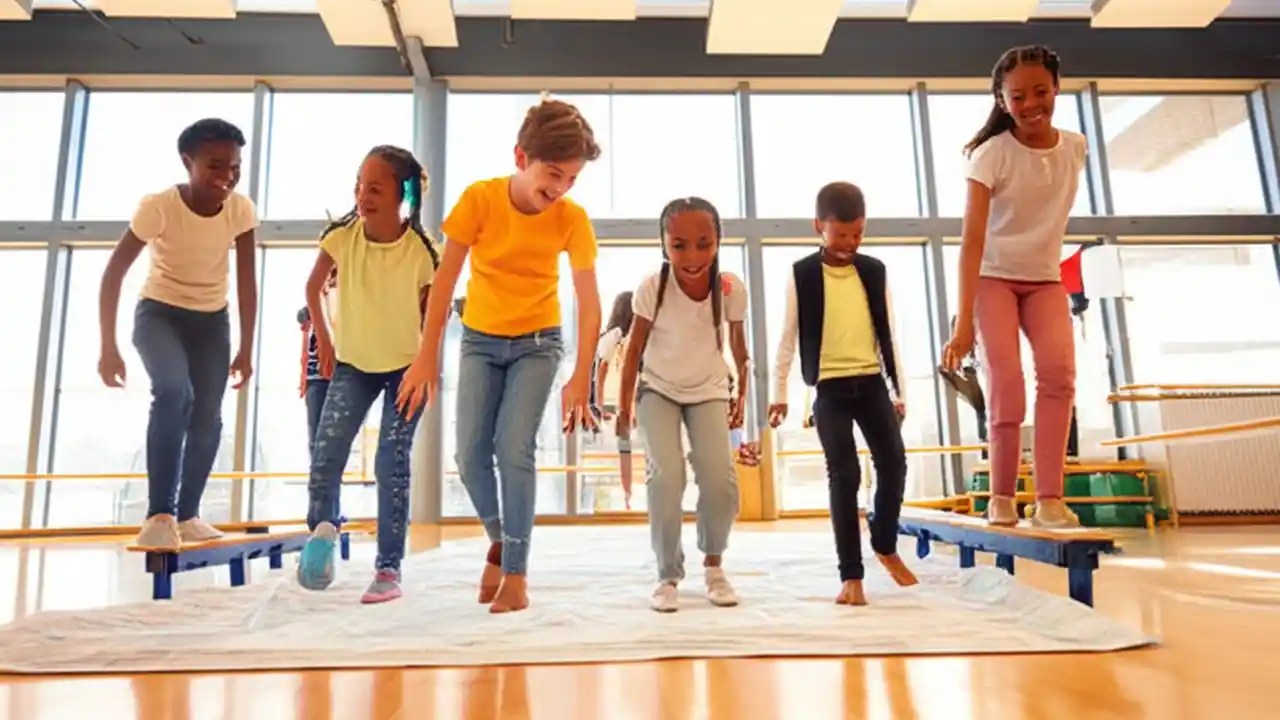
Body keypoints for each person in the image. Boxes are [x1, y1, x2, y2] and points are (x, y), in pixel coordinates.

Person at [397, 97, 603, 614]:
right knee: (469, 456)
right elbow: (444, 282)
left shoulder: (571, 220)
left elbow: (589, 299)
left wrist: (582, 376)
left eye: (571, 180)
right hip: (480, 341)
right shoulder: (480, 200)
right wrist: (426, 356)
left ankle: (516, 573)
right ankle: (502, 541)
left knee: (514, 448)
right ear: (521, 157)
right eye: (553, 174)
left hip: (539, 343)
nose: (559, 189)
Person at [941, 45, 1086, 529]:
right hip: (993, 279)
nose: (1031, 104)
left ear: (1057, 89)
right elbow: (971, 243)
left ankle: (1049, 499)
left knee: (1060, 377)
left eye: (1041, 92)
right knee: (1007, 382)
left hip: (1044, 279)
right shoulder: (990, 155)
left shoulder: (1076, 147)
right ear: (1002, 101)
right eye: (1018, 96)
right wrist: (963, 325)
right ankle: (1001, 496)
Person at [97, 118, 258, 550]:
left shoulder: (241, 209)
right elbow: (113, 274)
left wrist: (245, 348)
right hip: (160, 315)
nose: (227, 175)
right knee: (173, 392)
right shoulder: (159, 207)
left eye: (235, 166)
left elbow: (246, 282)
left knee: (208, 413)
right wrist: (108, 347)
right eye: (215, 165)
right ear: (188, 162)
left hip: (212, 321)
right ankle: (160, 514)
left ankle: (187, 515)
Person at [295, 145, 439, 604]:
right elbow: (313, 287)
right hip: (354, 363)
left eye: (375, 188)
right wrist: (326, 339)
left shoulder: (421, 250)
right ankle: (322, 532)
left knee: (390, 462)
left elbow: (433, 314)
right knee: (327, 451)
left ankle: (388, 567)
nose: (363, 195)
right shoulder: (341, 237)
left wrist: (427, 365)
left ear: (403, 194)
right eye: (359, 185)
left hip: (405, 370)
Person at [768, 182, 917, 606]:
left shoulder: (873, 270)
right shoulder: (802, 273)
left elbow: (887, 333)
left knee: (895, 463)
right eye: (840, 236)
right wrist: (779, 392)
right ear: (820, 227)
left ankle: (885, 544)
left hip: (871, 382)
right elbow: (787, 336)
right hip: (830, 389)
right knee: (845, 475)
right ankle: (851, 575)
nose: (850, 243)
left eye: (857, 234)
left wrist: (898, 390)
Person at [617, 197, 750, 613]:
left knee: (718, 478)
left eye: (703, 244)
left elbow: (740, 351)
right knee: (666, 475)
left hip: (709, 387)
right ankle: (667, 575)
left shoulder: (729, 288)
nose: (692, 256)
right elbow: (634, 348)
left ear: (717, 243)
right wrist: (624, 406)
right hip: (657, 388)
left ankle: (714, 565)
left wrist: (743, 392)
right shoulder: (652, 287)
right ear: (663, 245)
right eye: (679, 245)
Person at [593, 291, 637, 507]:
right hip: (617, 400)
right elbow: (602, 368)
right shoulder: (617, 335)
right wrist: (600, 402)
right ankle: (627, 493)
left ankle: (628, 493)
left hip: (622, 398)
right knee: (626, 445)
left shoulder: (628, 336)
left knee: (625, 447)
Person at [297, 269, 337, 457]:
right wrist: (303, 374)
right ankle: (318, 480)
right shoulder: (318, 297)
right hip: (316, 373)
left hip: (344, 371)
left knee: (336, 436)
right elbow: (306, 336)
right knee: (315, 437)